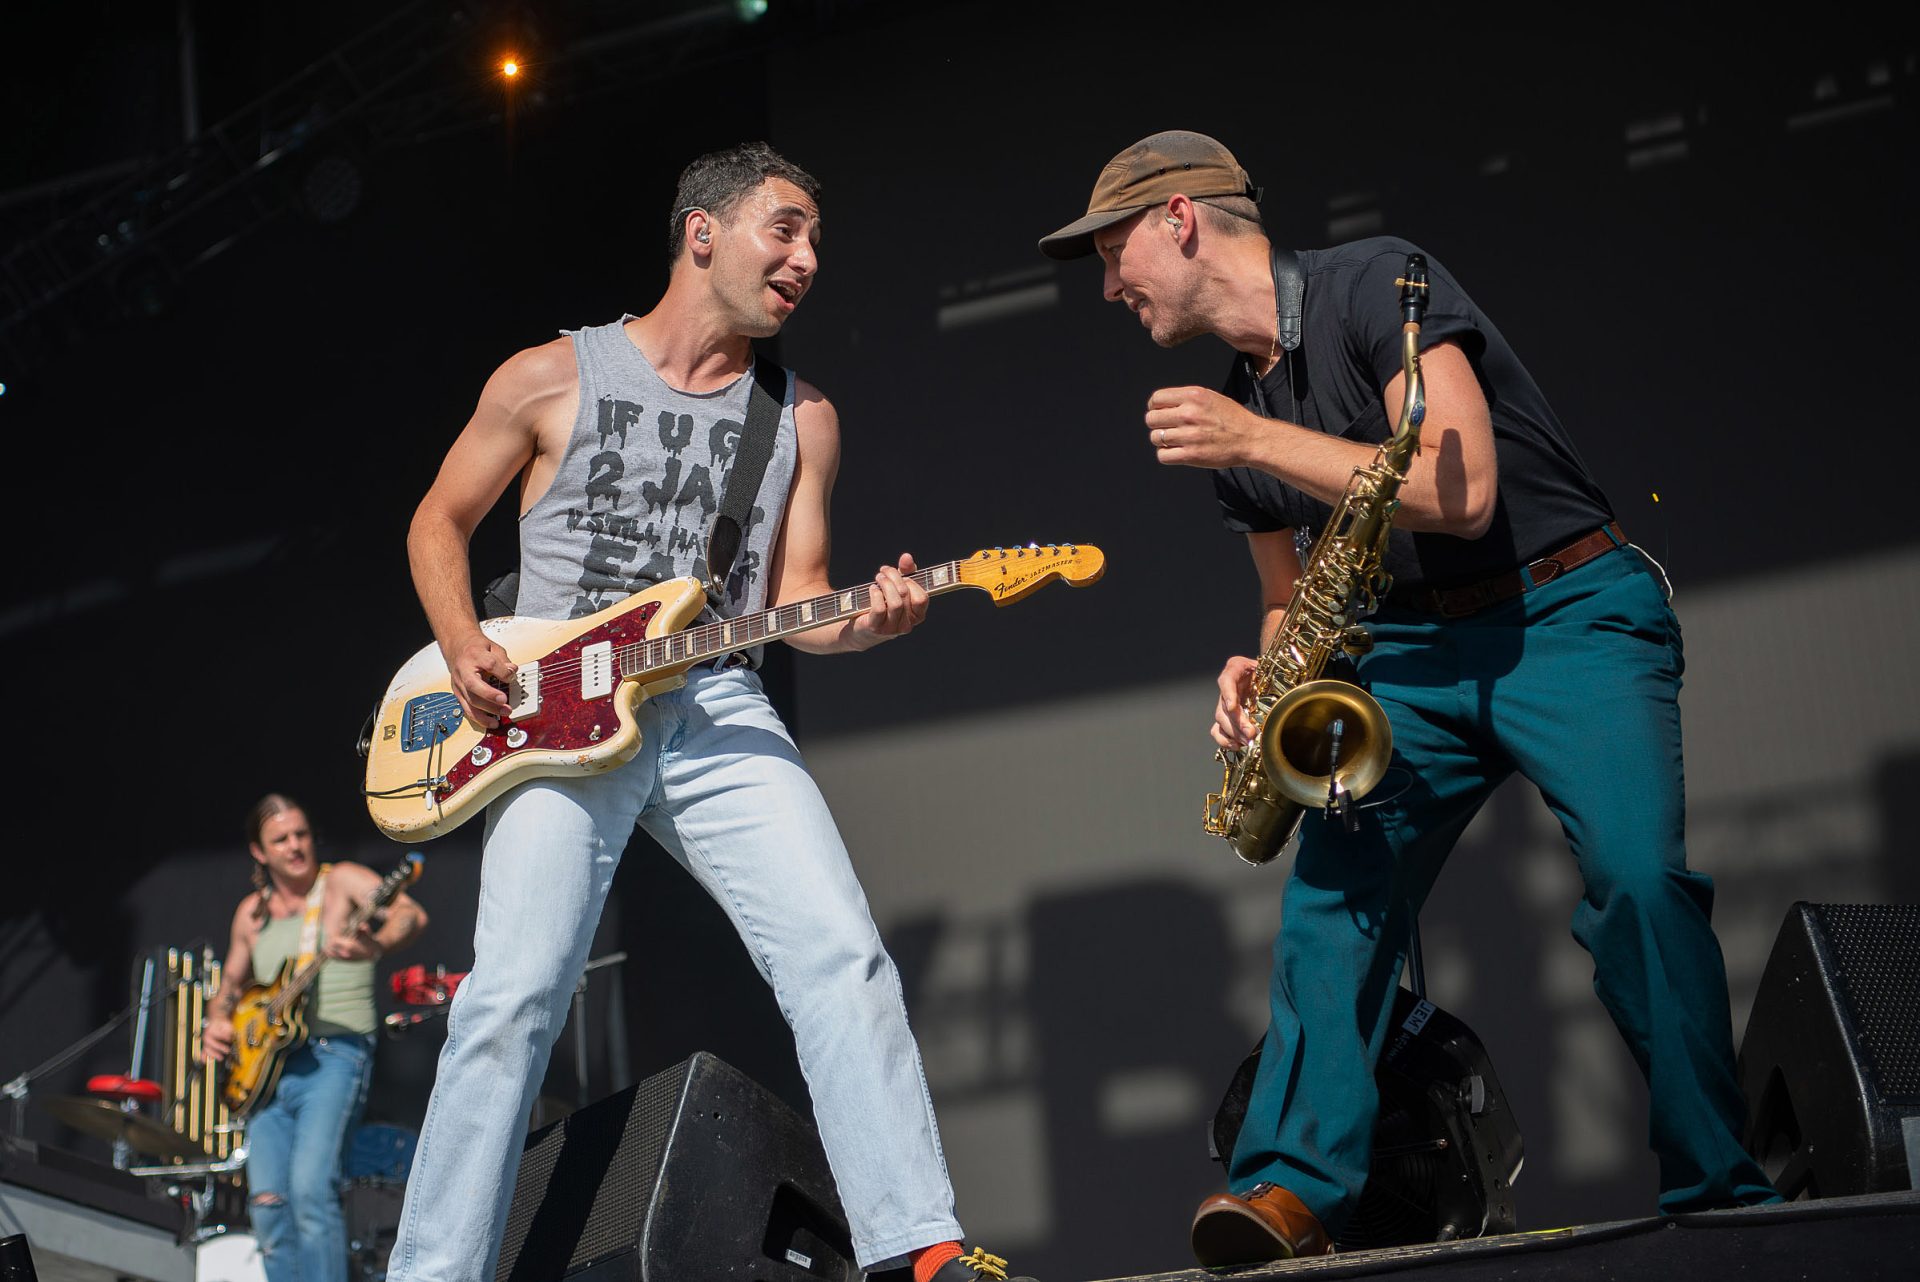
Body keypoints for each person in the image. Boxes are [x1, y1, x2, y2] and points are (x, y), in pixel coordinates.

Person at [1039, 130, 1779, 1264]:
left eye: (1112, 250)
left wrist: (1253, 435)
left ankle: (1717, 1184)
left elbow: (1462, 484)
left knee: (1637, 882)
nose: (1107, 284)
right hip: (1409, 655)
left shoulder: (1375, 281)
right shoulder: (1236, 427)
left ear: (1179, 218)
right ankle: (1287, 1193)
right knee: (1333, 901)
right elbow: (1289, 598)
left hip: (1565, 613)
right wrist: (1262, 671)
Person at [384, 141, 1035, 1282]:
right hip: (551, 712)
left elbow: (797, 603)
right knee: (513, 1000)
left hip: (712, 701)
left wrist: (870, 619)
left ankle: (915, 1248)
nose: (807, 259)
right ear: (702, 233)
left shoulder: (800, 417)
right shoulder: (551, 374)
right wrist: (463, 644)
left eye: (817, 241)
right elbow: (437, 522)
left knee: (840, 953)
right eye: (785, 230)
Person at [201, 793, 429, 1282]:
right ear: (259, 852)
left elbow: (409, 913)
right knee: (266, 1204)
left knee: (310, 1189)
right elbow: (230, 986)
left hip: (335, 1054)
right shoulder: (251, 913)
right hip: (266, 1072)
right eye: (280, 839)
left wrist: (376, 943)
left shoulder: (341, 881)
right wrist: (218, 1021)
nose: (295, 845)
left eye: (301, 834)